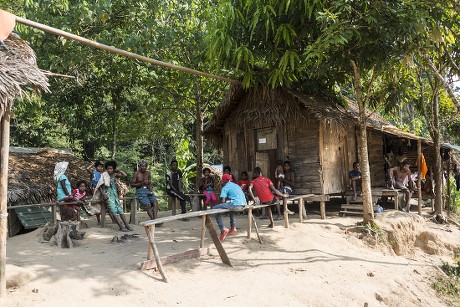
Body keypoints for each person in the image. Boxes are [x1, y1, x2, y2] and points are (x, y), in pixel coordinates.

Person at [94, 160, 133, 232]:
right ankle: (121, 226)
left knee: (120, 210)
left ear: (114, 168)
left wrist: (118, 170)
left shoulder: (115, 174)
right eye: (108, 168)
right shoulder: (103, 175)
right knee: (113, 211)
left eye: (111, 168)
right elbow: (99, 186)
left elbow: (124, 175)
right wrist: (103, 194)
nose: (109, 170)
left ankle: (127, 225)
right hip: (107, 195)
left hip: (115, 194)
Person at [213, 174, 247, 242]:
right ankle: (233, 227)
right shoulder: (236, 185)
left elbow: (223, 200)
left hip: (236, 205)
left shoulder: (225, 187)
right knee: (230, 206)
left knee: (214, 208)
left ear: (223, 181)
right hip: (243, 205)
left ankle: (223, 229)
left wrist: (222, 205)